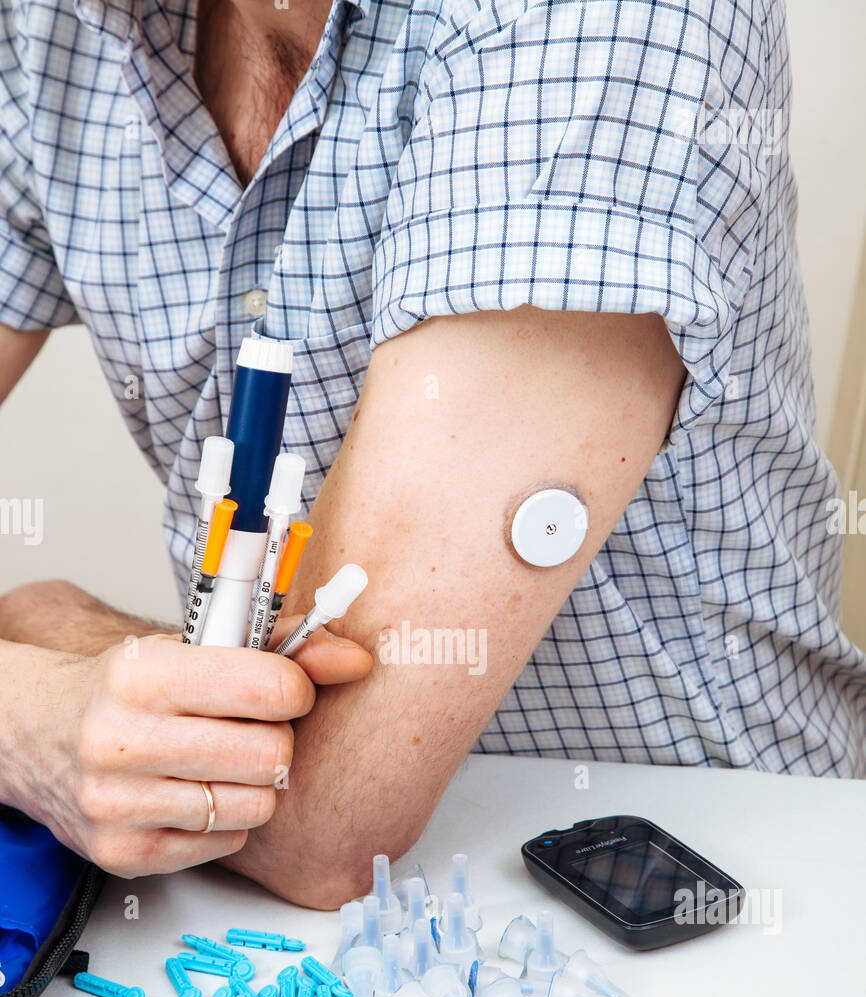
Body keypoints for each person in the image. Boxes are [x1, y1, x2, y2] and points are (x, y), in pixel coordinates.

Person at [1, 0, 864, 907]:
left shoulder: (600, 17)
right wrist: (40, 704)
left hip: (696, 889)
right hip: (256, 903)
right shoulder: (61, 20)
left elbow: (325, 814)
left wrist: (43, 628)